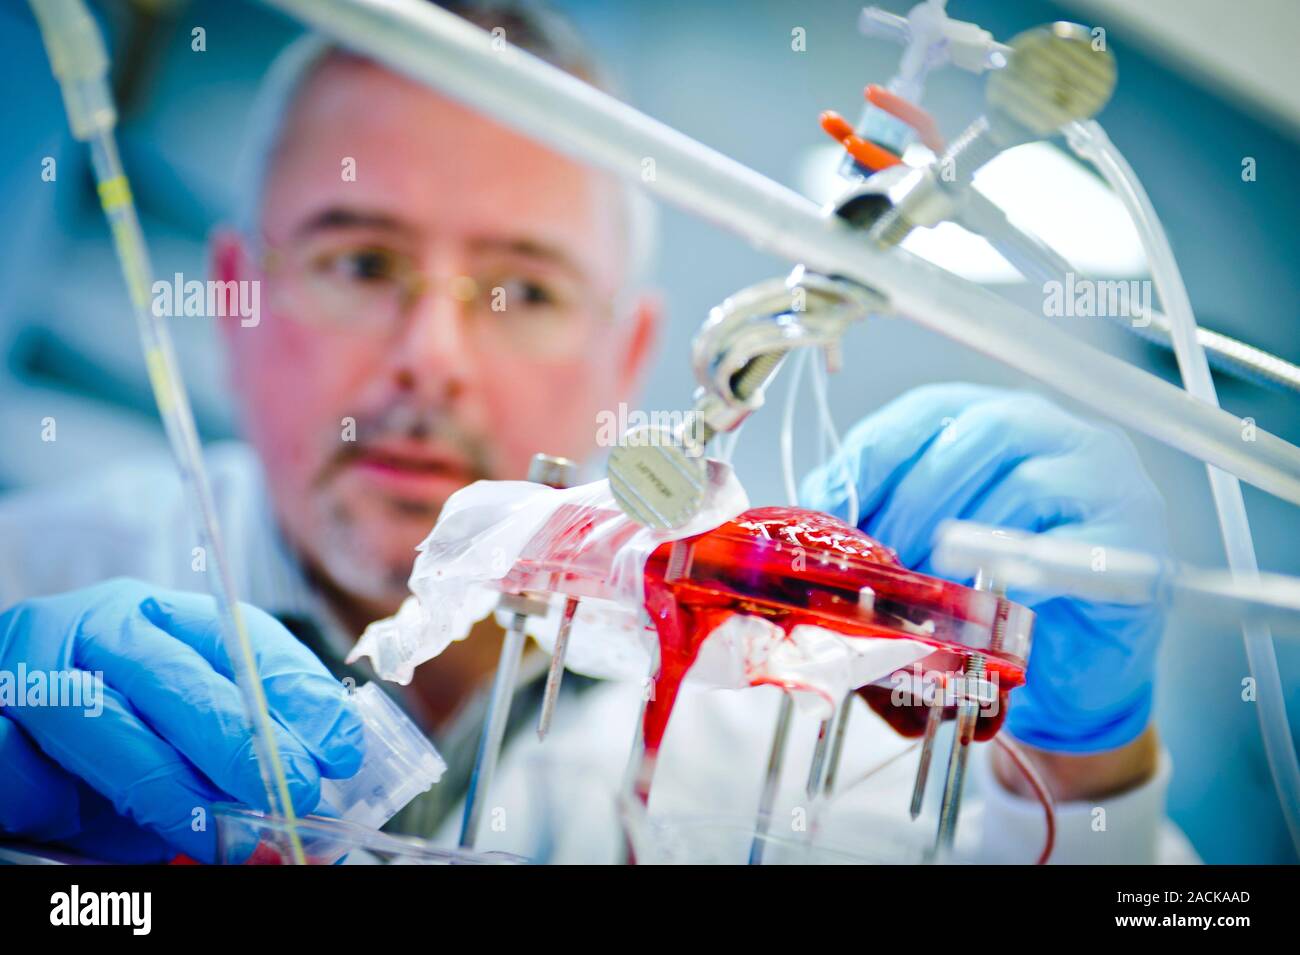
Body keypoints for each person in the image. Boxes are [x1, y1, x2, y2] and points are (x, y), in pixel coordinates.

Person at [0, 0, 1194, 863]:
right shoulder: (32, 597)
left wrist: (1089, 767)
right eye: (359, 262)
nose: (434, 357)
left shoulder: (791, 713)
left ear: (628, 356)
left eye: (522, 290)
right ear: (237, 304)